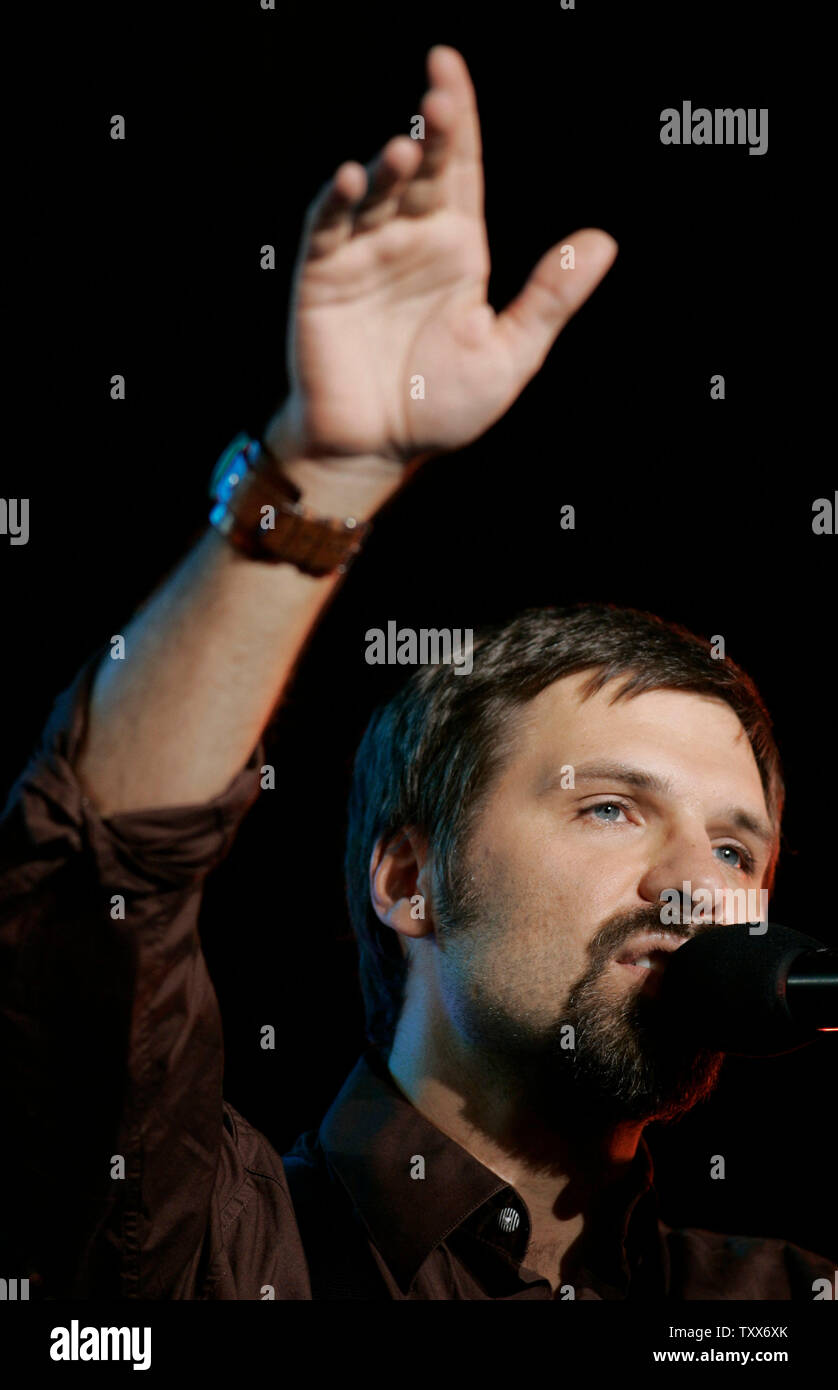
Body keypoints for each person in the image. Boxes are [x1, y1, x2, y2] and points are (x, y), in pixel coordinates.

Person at [0, 45, 832, 1301]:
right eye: (609, 806)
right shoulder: (207, 1247)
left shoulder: (776, 1300)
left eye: (734, 851)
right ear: (408, 878)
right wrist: (323, 473)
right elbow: (97, 878)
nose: (695, 889)